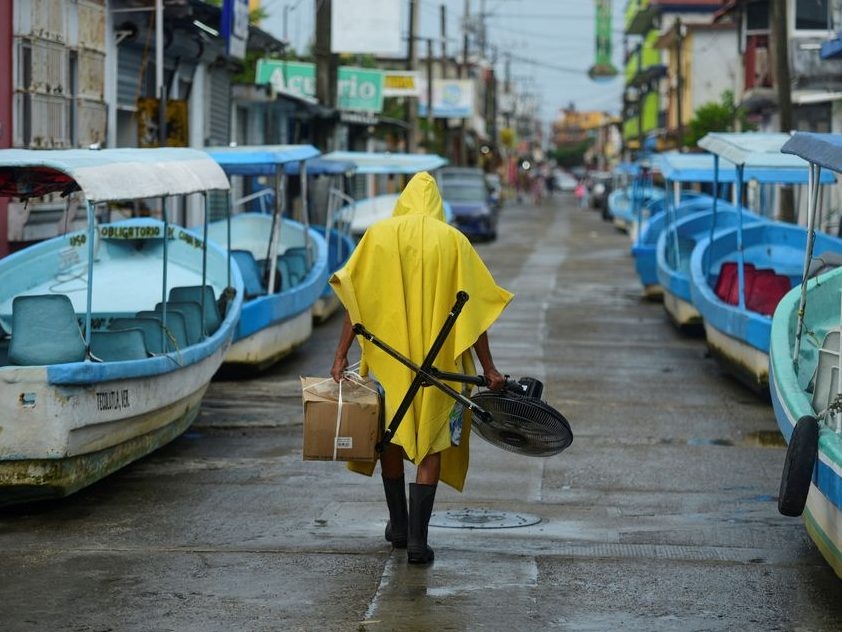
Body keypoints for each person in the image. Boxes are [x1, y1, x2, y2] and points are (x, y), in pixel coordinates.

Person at [330, 171, 513, 565]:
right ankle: (416, 541)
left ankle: (398, 526)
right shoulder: (454, 241)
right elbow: (475, 314)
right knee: (430, 444)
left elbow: (354, 303)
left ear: (404, 200)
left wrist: (341, 354)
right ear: (436, 203)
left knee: (392, 437)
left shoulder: (377, 236)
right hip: (440, 366)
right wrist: (489, 368)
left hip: (390, 362)